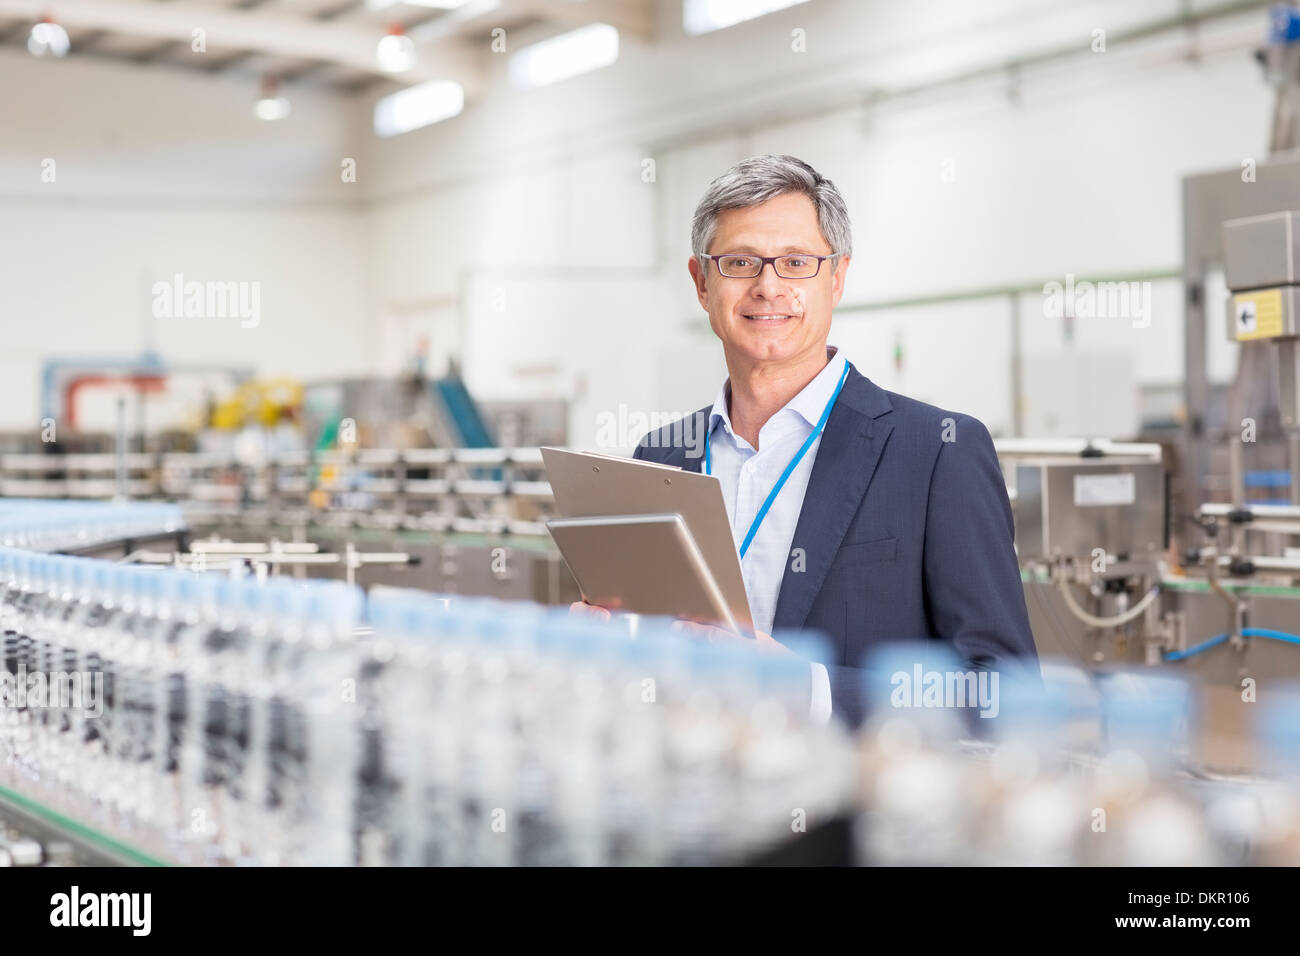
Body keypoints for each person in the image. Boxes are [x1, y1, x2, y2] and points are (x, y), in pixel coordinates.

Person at [575, 154, 1037, 726]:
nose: (769, 287)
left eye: (797, 263)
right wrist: (608, 641)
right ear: (700, 282)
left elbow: (1006, 693)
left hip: (847, 806)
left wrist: (809, 692)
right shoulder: (662, 455)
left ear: (837, 277)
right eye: (740, 262)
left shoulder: (937, 451)